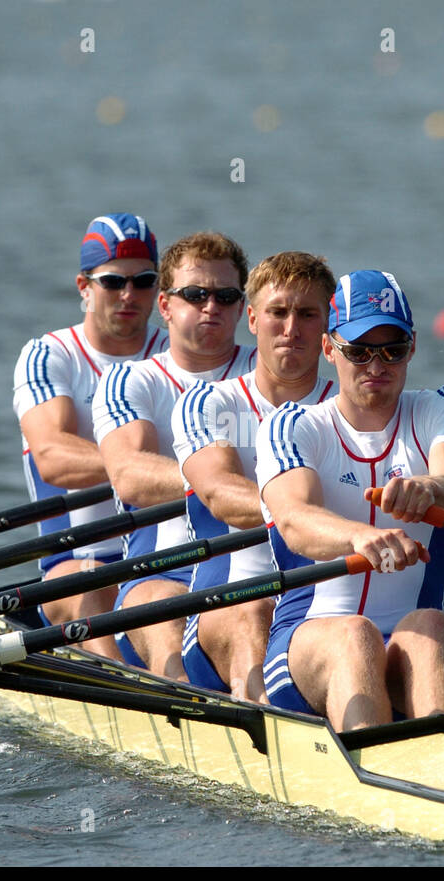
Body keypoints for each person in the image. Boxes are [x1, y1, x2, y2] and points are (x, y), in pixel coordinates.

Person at [254, 270, 444, 732]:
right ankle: (381, 772)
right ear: (328, 349)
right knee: (355, 635)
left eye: (392, 351)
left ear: (413, 347)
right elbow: (295, 519)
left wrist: (431, 488)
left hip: (417, 646)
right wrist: (361, 536)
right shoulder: (293, 426)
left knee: (431, 626)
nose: (376, 366)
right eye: (358, 352)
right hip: (310, 644)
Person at [171, 252, 336, 701]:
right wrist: (301, 514)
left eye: (307, 314)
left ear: (328, 325)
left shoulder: (349, 407)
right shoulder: (209, 403)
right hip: (230, 601)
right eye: (277, 312)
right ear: (252, 319)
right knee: (253, 613)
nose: (291, 328)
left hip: (328, 604)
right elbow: (220, 493)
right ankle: (264, 718)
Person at [92, 232, 257, 679]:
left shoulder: (267, 378)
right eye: (195, 295)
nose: (211, 306)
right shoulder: (131, 381)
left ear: (243, 308)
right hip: (160, 578)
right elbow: (130, 475)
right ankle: (183, 697)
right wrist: (221, 487)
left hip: (257, 577)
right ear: (165, 306)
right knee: (163, 608)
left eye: (226, 296)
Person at [11, 213, 164, 658]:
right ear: (84, 288)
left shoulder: (176, 358)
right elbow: (53, 457)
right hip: (75, 563)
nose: (129, 295)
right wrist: (142, 469)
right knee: (89, 584)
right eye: (114, 282)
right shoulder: (50, 356)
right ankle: (132, 693)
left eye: (144, 281)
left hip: (166, 562)